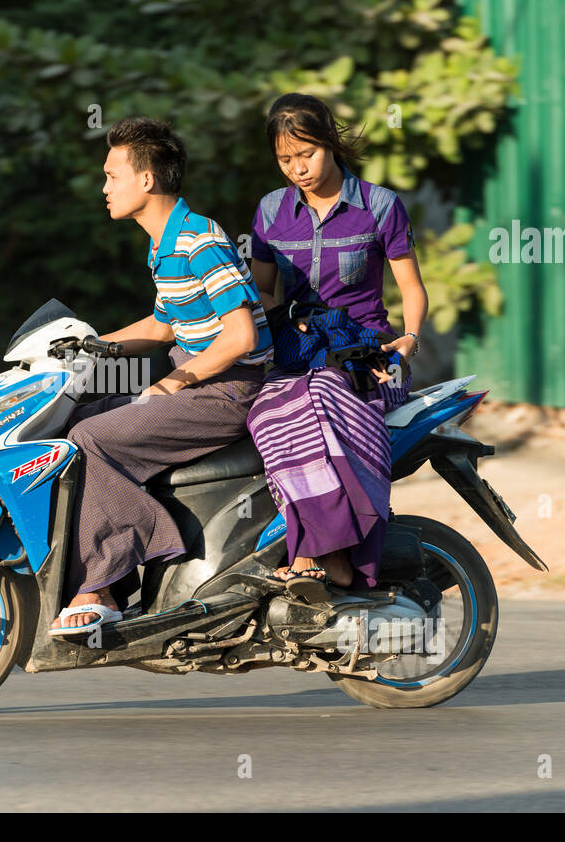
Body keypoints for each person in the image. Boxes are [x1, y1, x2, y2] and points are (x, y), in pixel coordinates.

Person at [49, 117, 274, 636]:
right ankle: (91, 571)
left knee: (89, 437)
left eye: (112, 175)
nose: (104, 187)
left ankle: (102, 587)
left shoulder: (199, 240)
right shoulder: (163, 243)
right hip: (200, 383)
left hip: (225, 391)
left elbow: (240, 336)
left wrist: (177, 381)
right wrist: (92, 346)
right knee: (71, 422)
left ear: (146, 180)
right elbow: (166, 323)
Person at [246, 94, 429, 595]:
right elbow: (263, 293)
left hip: (368, 354)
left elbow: (411, 288)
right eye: (285, 160)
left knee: (322, 396)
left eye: (306, 154)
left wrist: (409, 340)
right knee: (262, 412)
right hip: (299, 350)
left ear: (329, 142)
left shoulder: (380, 206)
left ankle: (318, 553)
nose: (297, 169)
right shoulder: (270, 211)